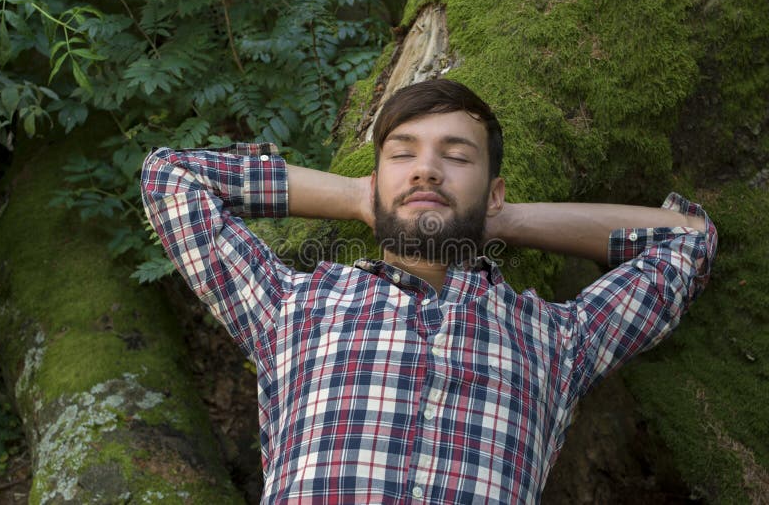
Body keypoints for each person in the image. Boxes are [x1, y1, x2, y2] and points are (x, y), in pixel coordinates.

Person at [141, 79, 717, 503]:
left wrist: (501, 218)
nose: (427, 170)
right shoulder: (290, 308)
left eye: (456, 157)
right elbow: (172, 179)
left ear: (494, 191)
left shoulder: (556, 341)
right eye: (403, 155)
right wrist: (354, 196)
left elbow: (686, 242)